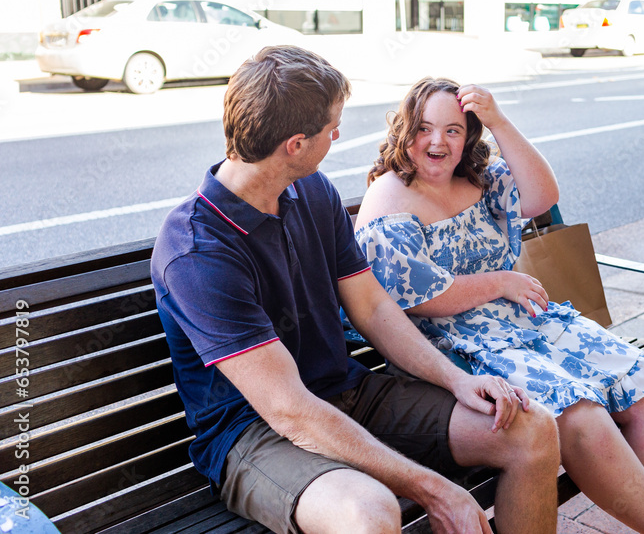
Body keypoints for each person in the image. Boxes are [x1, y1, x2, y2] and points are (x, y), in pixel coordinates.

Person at [151, 46, 560, 534]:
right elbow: (290, 411)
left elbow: (371, 307)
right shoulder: (198, 252)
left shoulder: (310, 191)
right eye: (331, 128)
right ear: (295, 145)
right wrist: (435, 488)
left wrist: (456, 380)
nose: (338, 135)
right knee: (368, 512)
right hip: (255, 433)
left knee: (530, 430)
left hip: (347, 392)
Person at [355, 78, 644, 534]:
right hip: (458, 344)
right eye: (424, 127)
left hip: (528, 321)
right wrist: (500, 281)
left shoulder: (478, 177)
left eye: (454, 130)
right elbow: (419, 296)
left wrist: (498, 120)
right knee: (578, 415)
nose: (437, 141)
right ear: (404, 130)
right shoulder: (389, 195)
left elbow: (542, 196)